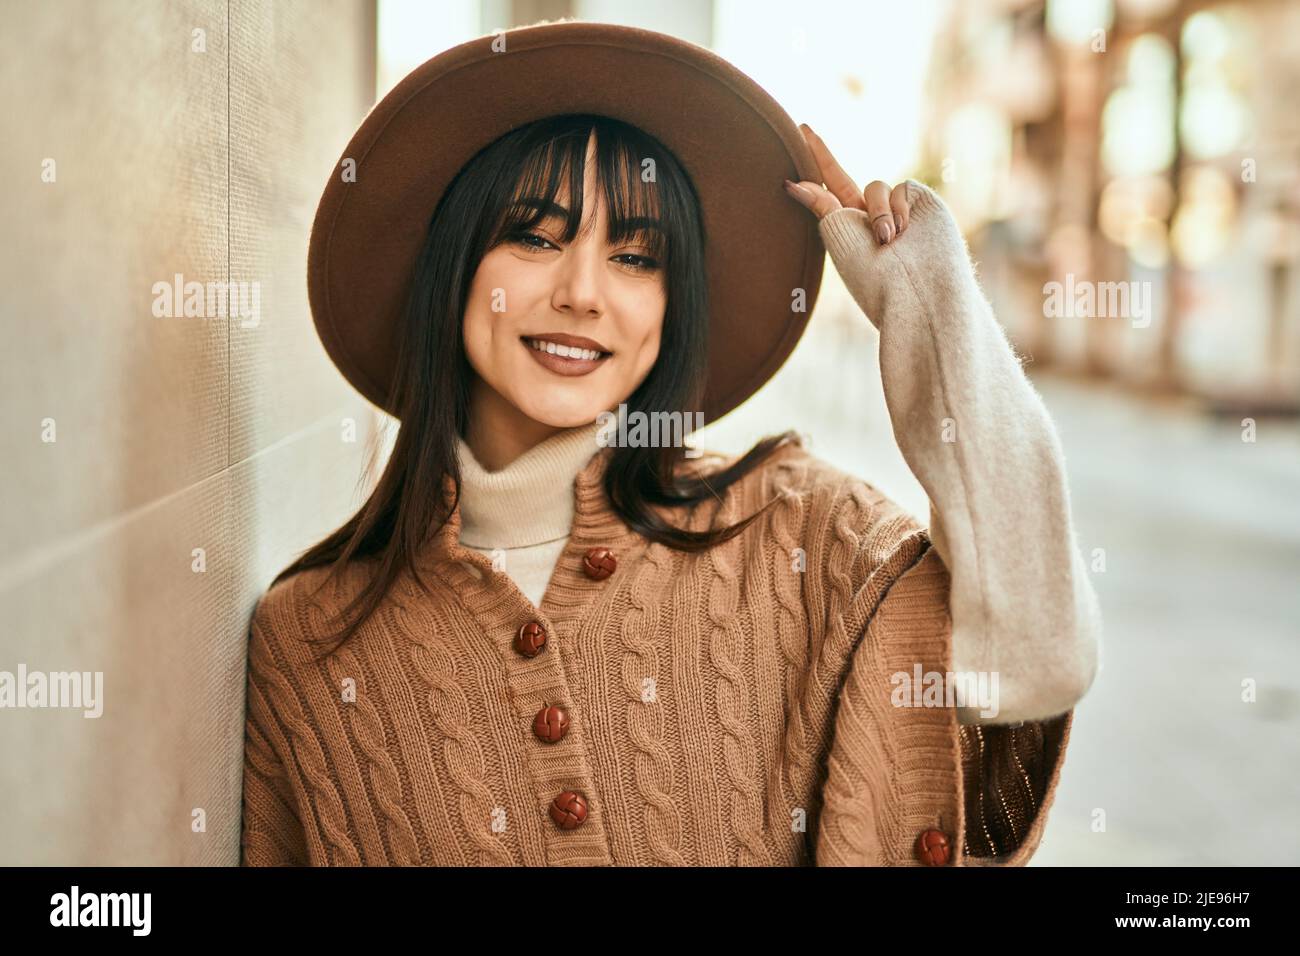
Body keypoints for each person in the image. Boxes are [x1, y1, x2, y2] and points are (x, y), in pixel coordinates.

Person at [240, 21, 1101, 867]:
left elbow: (1036, 660)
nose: (582, 293)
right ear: (456, 263)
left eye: (636, 256)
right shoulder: (308, 643)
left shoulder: (803, 531)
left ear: (670, 303)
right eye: (535, 236)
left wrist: (932, 315)